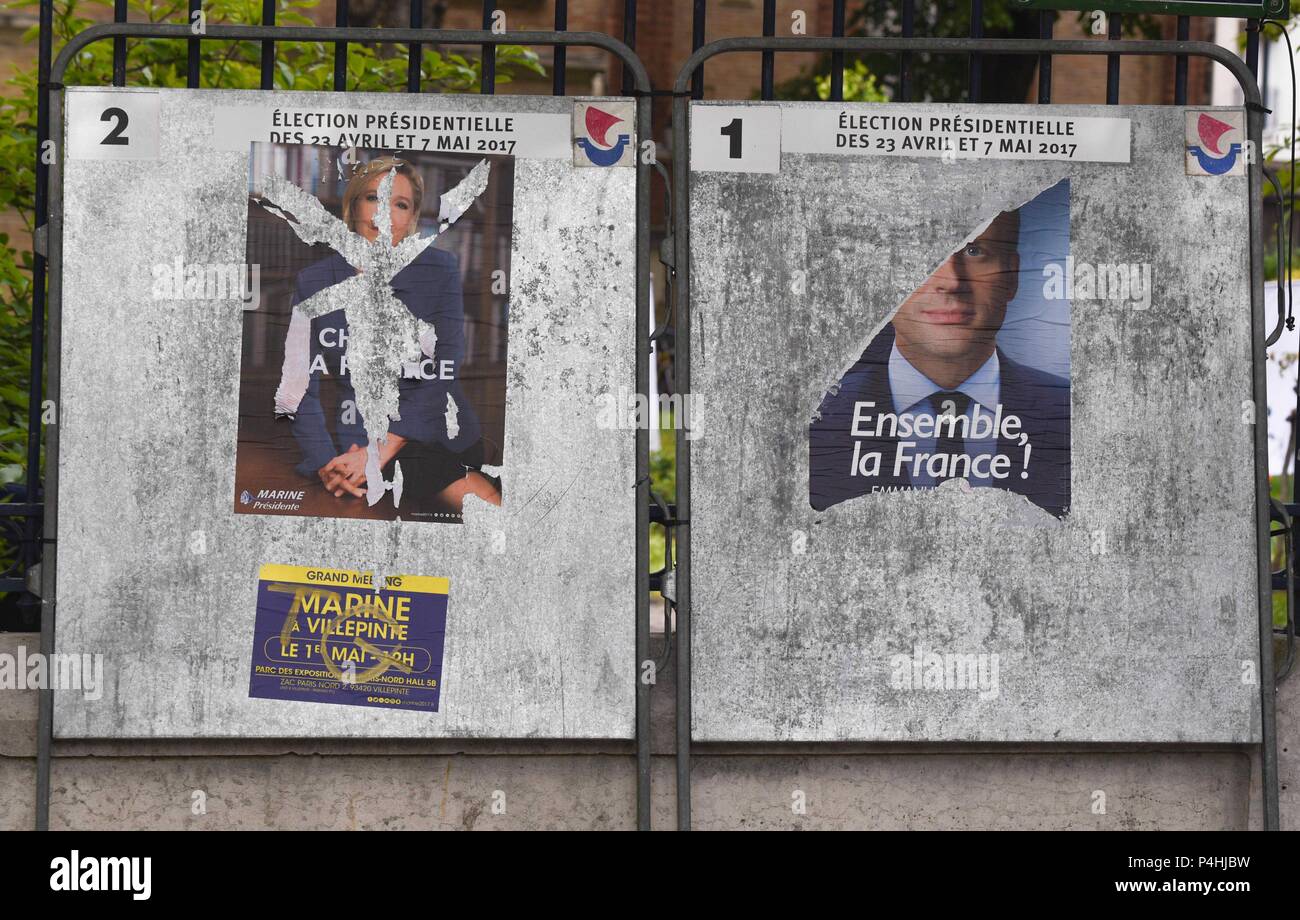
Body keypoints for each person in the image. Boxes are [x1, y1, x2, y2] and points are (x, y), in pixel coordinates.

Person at [274, 156, 501, 517]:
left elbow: (444, 370)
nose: (384, 214)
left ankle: (506, 526)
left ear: (411, 219)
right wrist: (325, 464)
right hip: (357, 439)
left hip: (436, 427)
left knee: (421, 467)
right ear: (351, 207)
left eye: (399, 204)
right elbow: (299, 387)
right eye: (373, 198)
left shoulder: (440, 271)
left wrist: (378, 451)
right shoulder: (314, 282)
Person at [809, 206, 1070, 517]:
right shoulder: (813, 418)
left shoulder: (1071, 414)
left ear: (1011, 277)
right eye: (923, 250)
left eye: (974, 250)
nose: (951, 281)